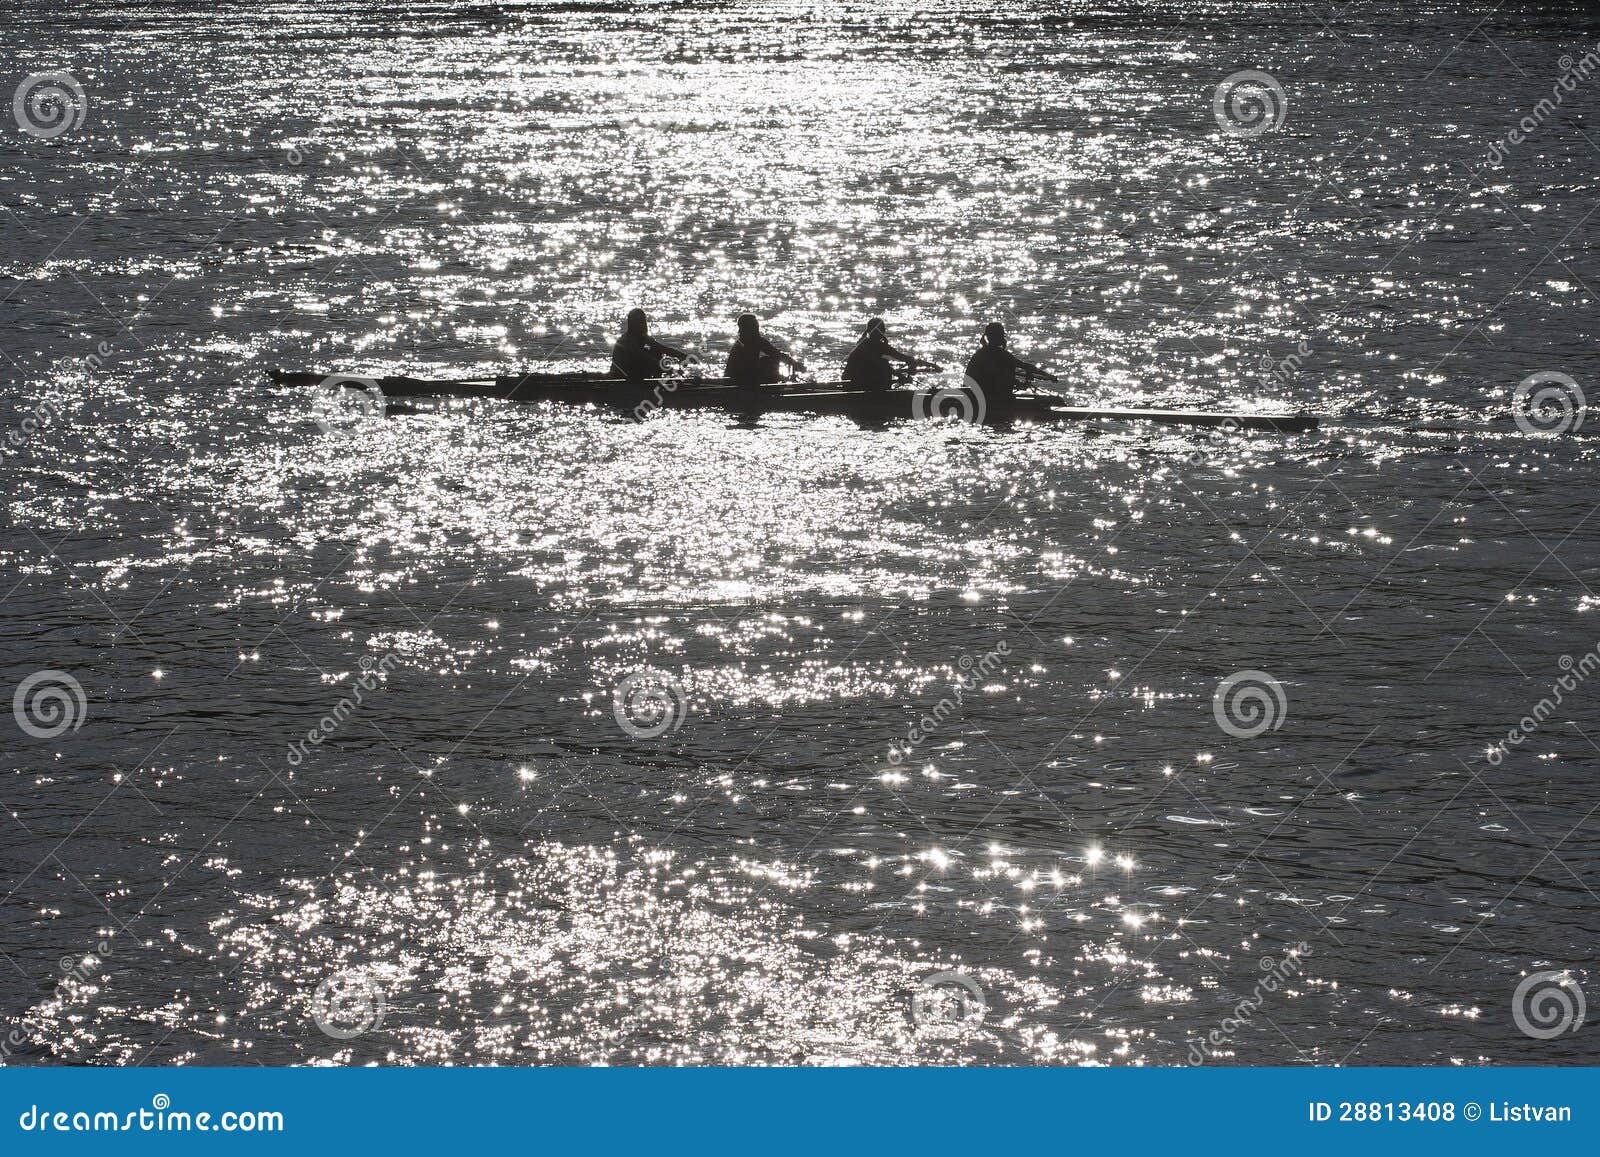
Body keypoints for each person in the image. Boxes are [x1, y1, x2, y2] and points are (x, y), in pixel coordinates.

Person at [962, 322, 1056, 403]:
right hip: (991, 397)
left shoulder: (980, 353)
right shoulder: (1000, 354)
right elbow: (1025, 366)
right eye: (1002, 335)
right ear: (996, 337)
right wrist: (1049, 376)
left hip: (978, 394)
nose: (1003, 338)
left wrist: (1016, 382)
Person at [841, 318, 940, 391]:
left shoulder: (880, 345)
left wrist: (930, 365)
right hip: (854, 383)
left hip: (865, 381)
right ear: (875, 331)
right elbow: (881, 365)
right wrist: (900, 376)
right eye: (882, 330)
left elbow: (902, 357)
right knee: (884, 363)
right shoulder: (864, 346)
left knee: (884, 365)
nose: (883, 332)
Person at [724, 313, 804, 387]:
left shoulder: (746, 340)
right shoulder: (752, 341)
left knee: (768, 360)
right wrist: (795, 364)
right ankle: (772, 391)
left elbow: (775, 353)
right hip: (740, 380)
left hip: (739, 378)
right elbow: (776, 354)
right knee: (769, 361)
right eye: (755, 325)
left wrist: (793, 363)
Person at [610, 308, 688, 382]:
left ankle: (656, 384)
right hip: (622, 380)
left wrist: (683, 356)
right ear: (633, 324)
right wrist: (670, 370)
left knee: (656, 350)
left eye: (644, 321)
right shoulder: (626, 341)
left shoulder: (645, 339)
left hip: (638, 377)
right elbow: (646, 358)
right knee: (653, 356)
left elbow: (662, 349)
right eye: (640, 322)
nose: (644, 325)